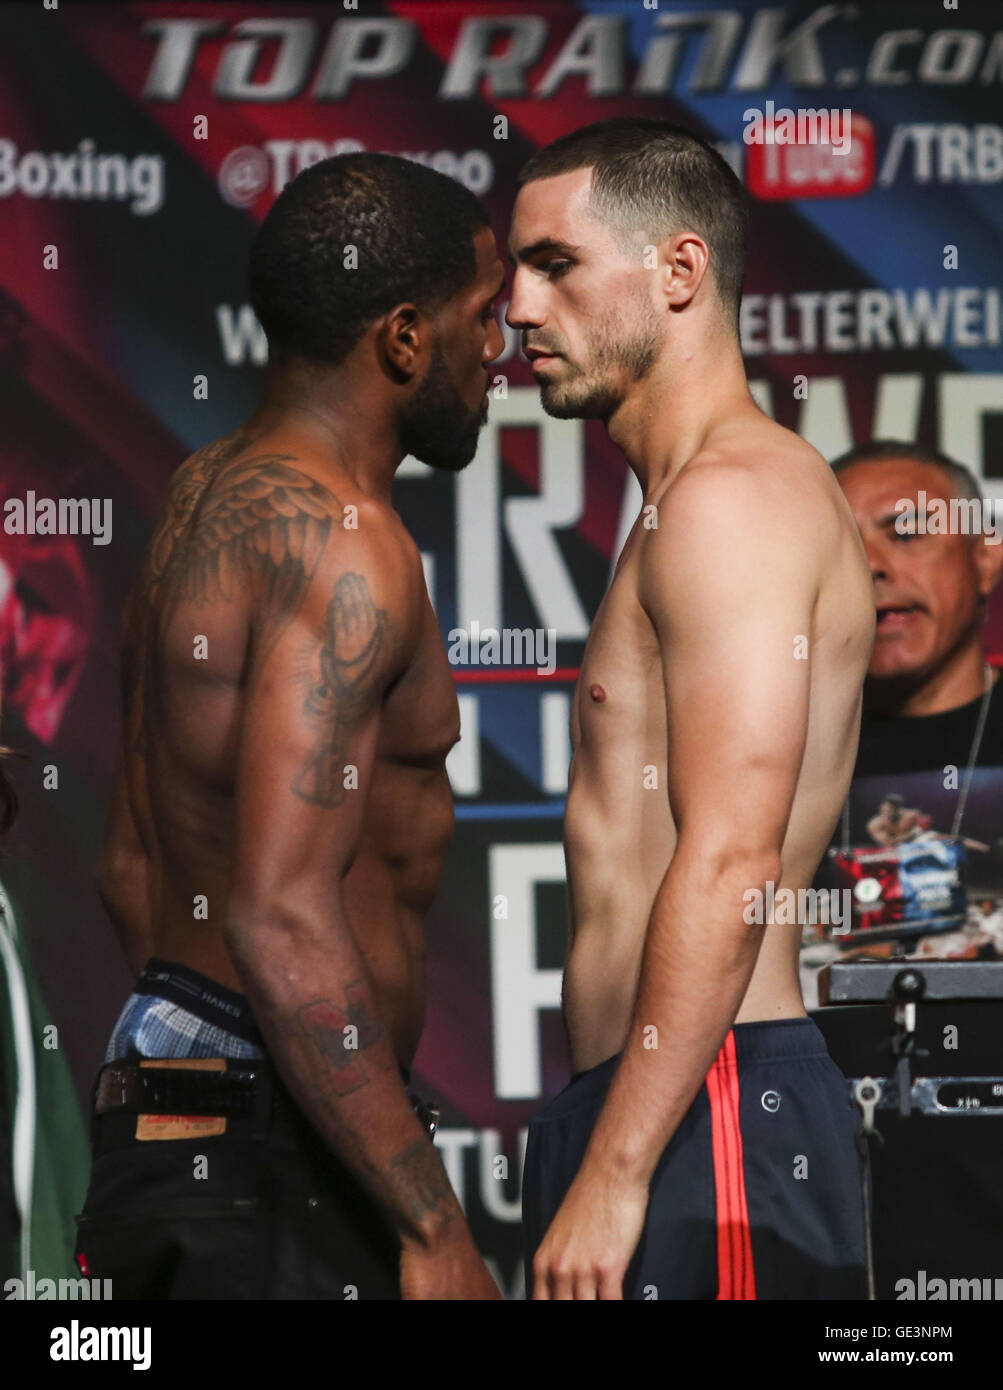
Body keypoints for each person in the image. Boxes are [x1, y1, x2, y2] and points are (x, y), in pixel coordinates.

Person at [75, 153, 506, 1300]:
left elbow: (129, 867)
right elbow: (275, 909)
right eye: (486, 317)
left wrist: (198, 1068)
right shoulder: (347, 544)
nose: (498, 351)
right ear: (405, 337)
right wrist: (430, 1225)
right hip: (265, 1154)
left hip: (194, 1132)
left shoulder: (201, 497)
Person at [506, 117, 875, 1300]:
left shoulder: (732, 499)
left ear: (679, 271)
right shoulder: (682, 504)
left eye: (552, 265)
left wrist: (618, 1170)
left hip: (711, 1106)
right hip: (657, 1104)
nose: (514, 309)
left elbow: (731, 858)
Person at [807, 439, 1003, 1299]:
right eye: (846, 547)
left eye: (907, 531)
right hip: (816, 1234)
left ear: (985, 554)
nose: (875, 568)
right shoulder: (767, 765)